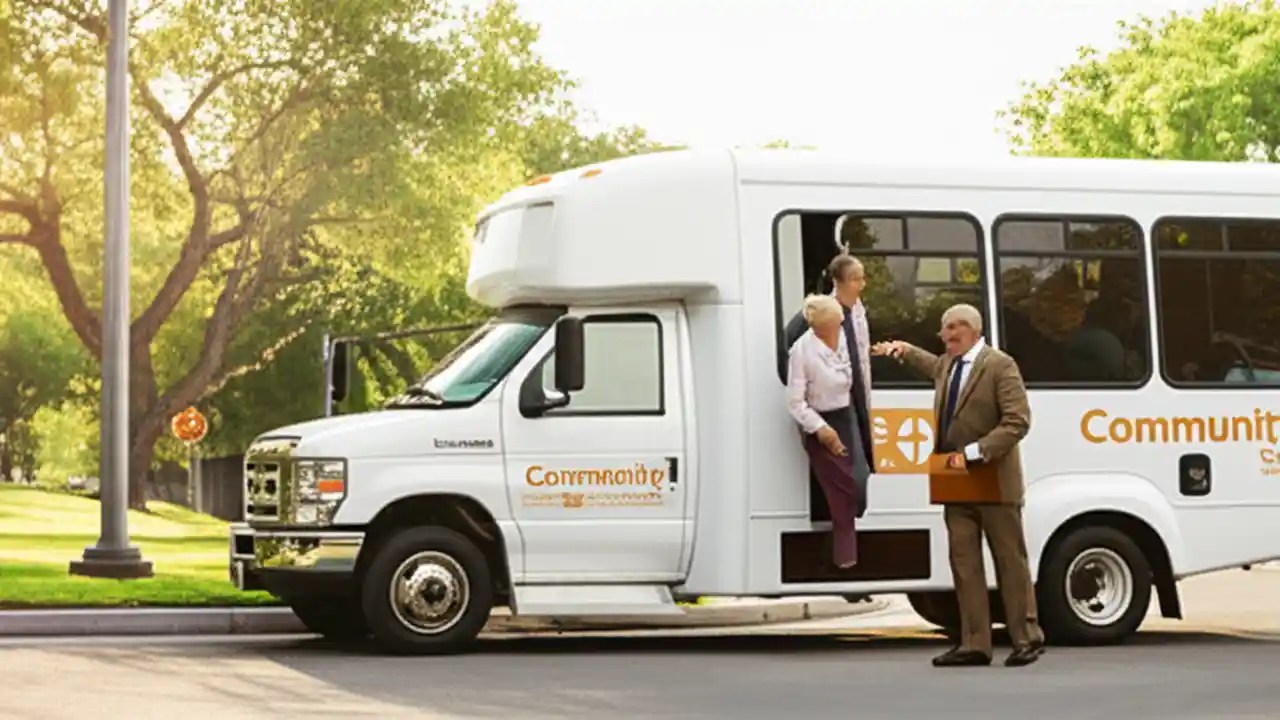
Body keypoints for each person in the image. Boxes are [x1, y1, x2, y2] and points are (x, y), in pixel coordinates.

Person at [871, 303, 1045, 668]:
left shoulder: (1000, 365)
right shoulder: (948, 365)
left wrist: (976, 452)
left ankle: (1027, 638)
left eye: (951, 330)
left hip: (992, 476)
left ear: (970, 330)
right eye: (943, 331)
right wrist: (902, 350)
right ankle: (974, 643)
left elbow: (1018, 422)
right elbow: (930, 365)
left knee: (1009, 560)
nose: (945, 336)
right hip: (952, 473)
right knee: (964, 562)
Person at [783, 253, 873, 516]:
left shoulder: (857, 310)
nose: (862, 284)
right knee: (845, 477)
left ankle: (845, 535)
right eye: (856, 279)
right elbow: (788, 351)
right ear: (838, 282)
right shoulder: (819, 314)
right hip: (823, 410)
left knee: (858, 472)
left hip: (854, 400)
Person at [786, 294, 869, 568]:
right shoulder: (802, 351)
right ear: (821, 326)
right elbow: (796, 403)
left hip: (846, 415)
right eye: (836, 321)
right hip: (820, 420)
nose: (842, 324)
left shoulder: (844, 336)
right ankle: (845, 557)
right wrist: (821, 430)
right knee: (841, 489)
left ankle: (842, 548)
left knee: (858, 480)